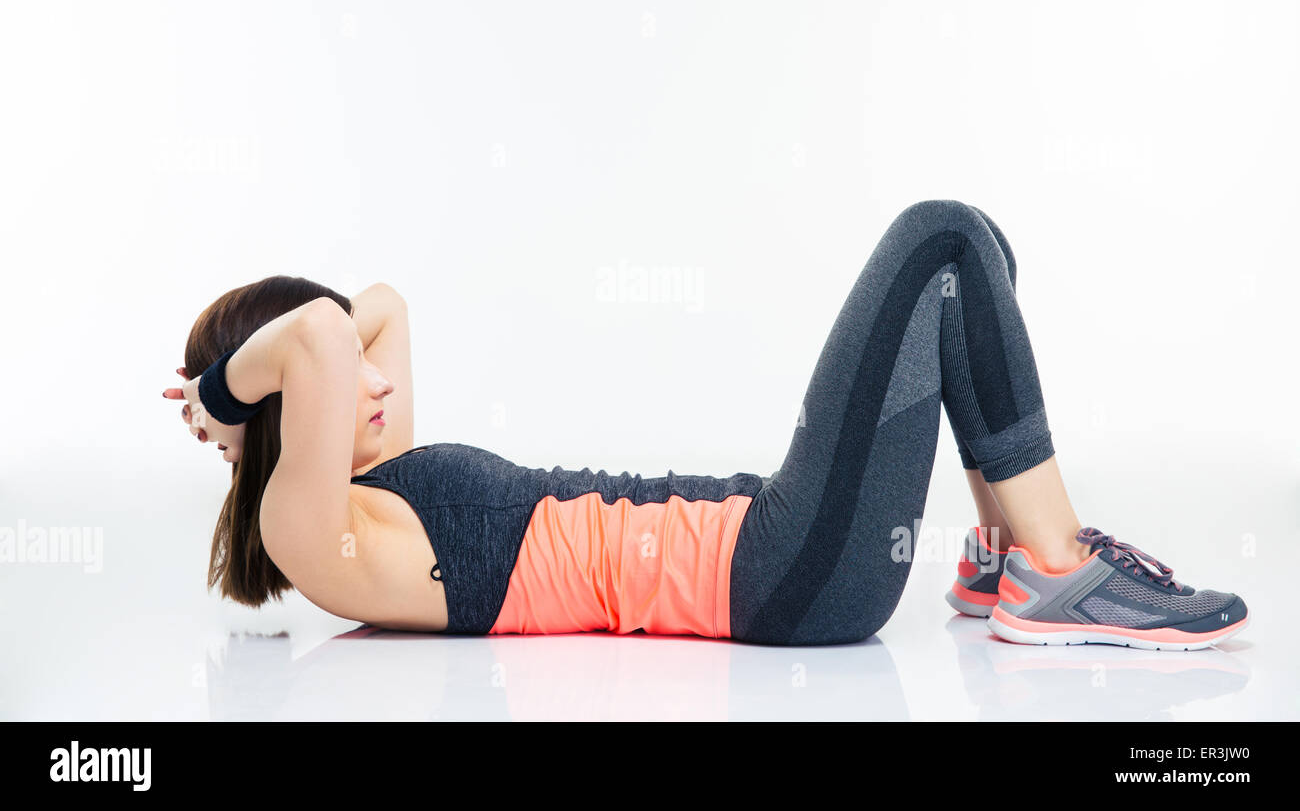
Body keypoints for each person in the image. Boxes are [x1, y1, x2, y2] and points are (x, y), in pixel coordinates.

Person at [163, 200, 1248, 649]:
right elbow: (315, 332)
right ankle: (1056, 569)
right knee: (942, 243)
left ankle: (1007, 556)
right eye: (338, 378)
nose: (369, 373)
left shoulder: (381, 481)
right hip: (786, 571)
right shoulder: (322, 543)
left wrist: (265, 390)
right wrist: (225, 401)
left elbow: (377, 304)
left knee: (979, 265)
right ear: (284, 411)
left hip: (780, 538)